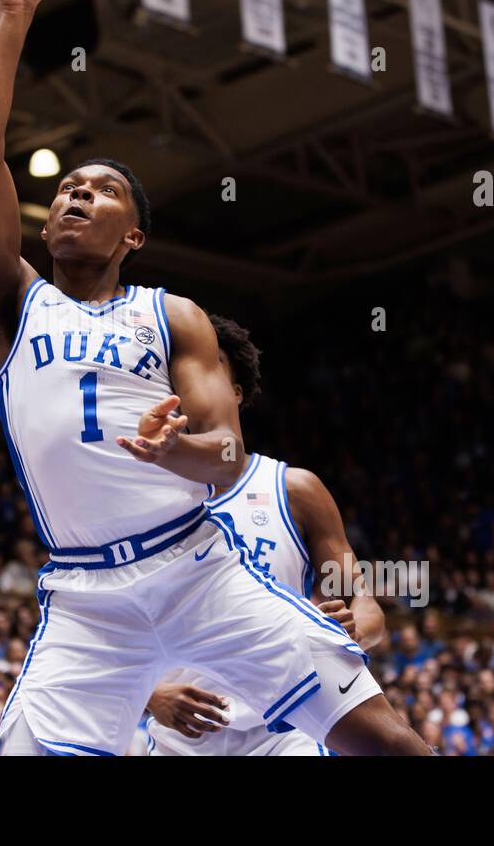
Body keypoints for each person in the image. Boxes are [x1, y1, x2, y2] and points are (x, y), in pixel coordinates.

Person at [0, 0, 427, 757]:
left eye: (100, 191)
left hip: (194, 569)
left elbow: (223, 454)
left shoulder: (173, 315)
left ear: (133, 234)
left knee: (384, 740)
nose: (75, 194)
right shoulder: (12, 305)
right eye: (67, 186)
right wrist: (12, 20)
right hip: (83, 596)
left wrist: (177, 453)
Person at [146, 315, 384, 755]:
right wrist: (148, 696)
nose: (193, 378)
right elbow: (108, 619)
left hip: (285, 729)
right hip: (180, 736)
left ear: (236, 393)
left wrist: (351, 631)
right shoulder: (142, 496)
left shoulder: (294, 489)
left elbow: (365, 606)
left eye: (211, 366)